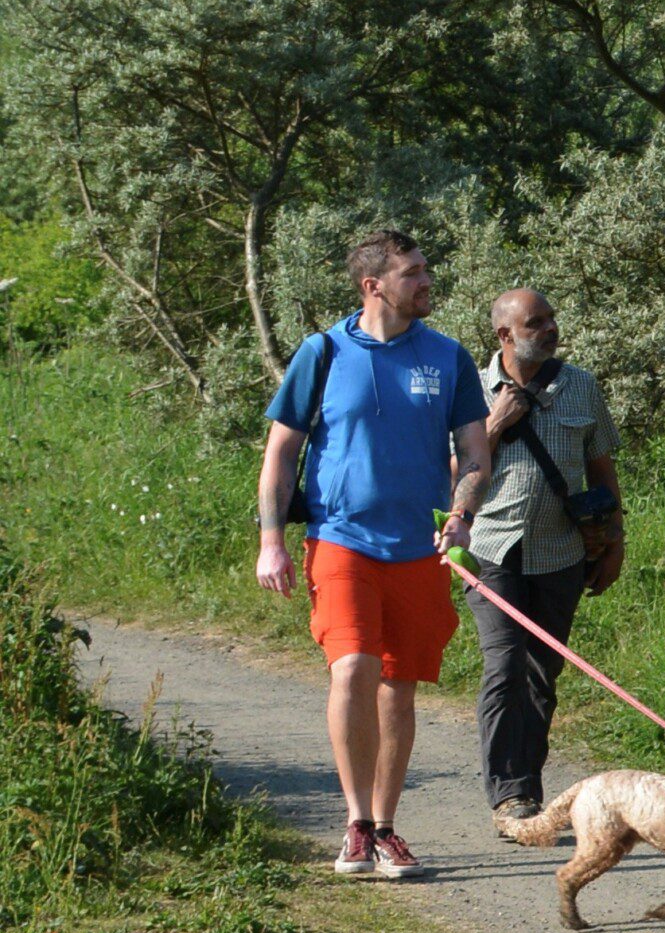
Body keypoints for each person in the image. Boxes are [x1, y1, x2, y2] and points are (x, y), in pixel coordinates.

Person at [255, 229, 490, 880]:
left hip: (418, 547)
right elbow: (280, 452)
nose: (426, 281)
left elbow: (475, 453)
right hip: (339, 536)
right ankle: (356, 824)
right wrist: (271, 538)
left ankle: (386, 829)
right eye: (412, 273)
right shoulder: (322, 353)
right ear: (373, 286)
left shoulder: (447, 358)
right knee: (352, 667)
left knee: (398, 689)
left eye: (425, 270)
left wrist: (463, 516)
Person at [467, 287, 626, 833]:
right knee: (504, 666)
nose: (551, 328)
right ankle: (507, 794)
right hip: (492, 550)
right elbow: (443, 473)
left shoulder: (580, 386)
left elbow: (602, 471)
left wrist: (614, 544)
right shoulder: (468, 388)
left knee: (542, 673)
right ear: (504, 335)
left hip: (562, 552)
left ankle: (527, 794)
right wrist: (493, 424)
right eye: (537, 322)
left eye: (552, 319)